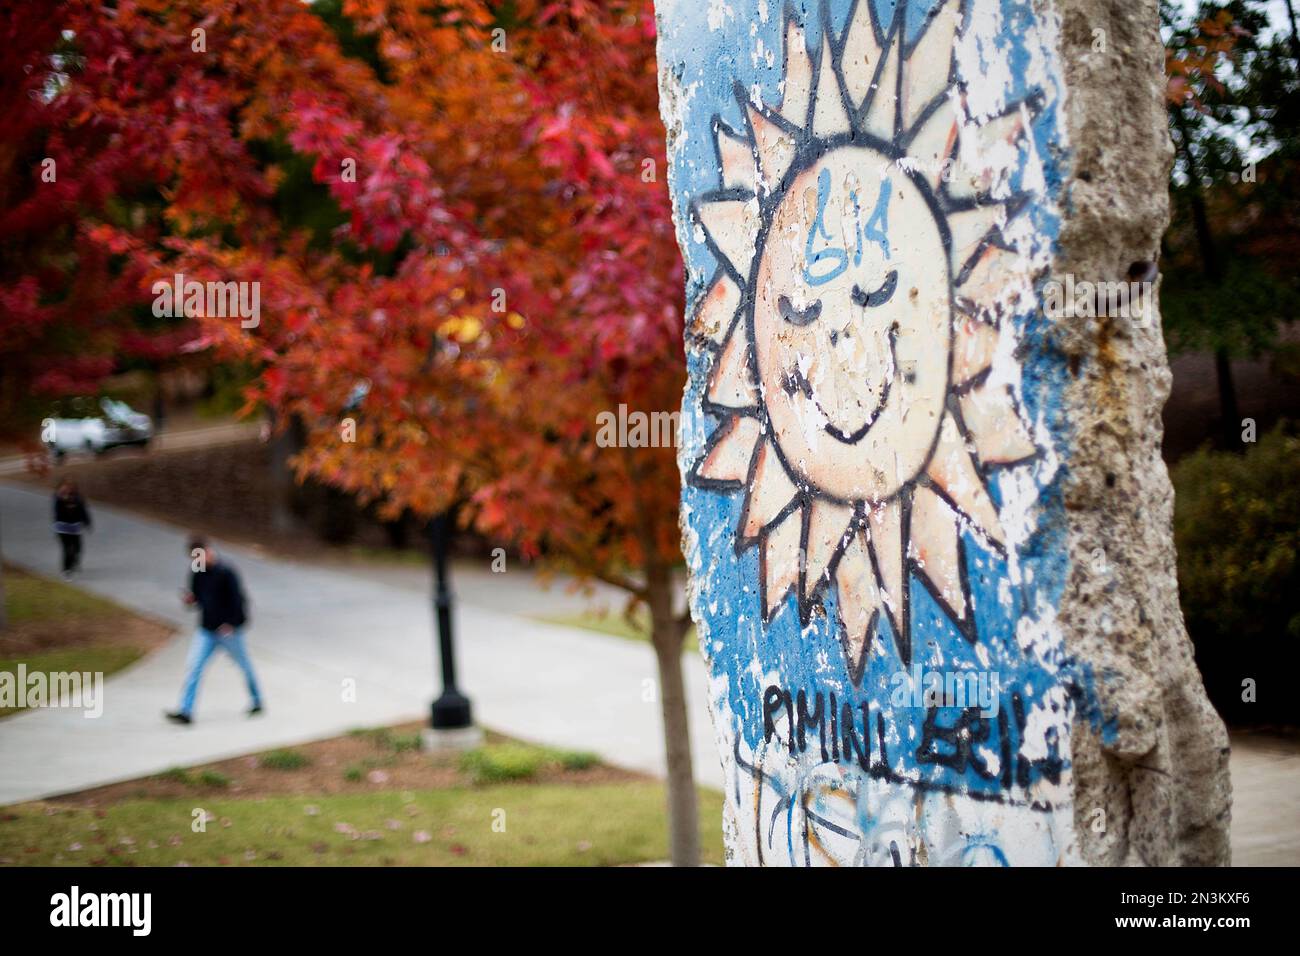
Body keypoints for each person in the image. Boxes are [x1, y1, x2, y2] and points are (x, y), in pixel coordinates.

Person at [166, 536, 264, 725]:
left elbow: (239, 601)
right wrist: (190, 600)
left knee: (244, 665)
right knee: (194, 666)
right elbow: (196, 599)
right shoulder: (197, 573)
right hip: (207, 630)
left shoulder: (226, 572)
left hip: (229, 632)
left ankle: (257, 700)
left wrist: (231, 624)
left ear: (209, 551)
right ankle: (186, 711)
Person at [52, 479, 92, 579]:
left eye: (70, 487)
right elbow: (57, 514)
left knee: (78, 548)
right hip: (63, 528)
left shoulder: (78, 498)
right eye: (64, 487)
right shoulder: (58, 498)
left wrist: (87, 523)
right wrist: (64, 502)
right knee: (67, 549)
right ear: (61, 487)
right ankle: (66, 570)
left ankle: (75, 562)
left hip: (75, 528)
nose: (67, 489)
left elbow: (83, 511)